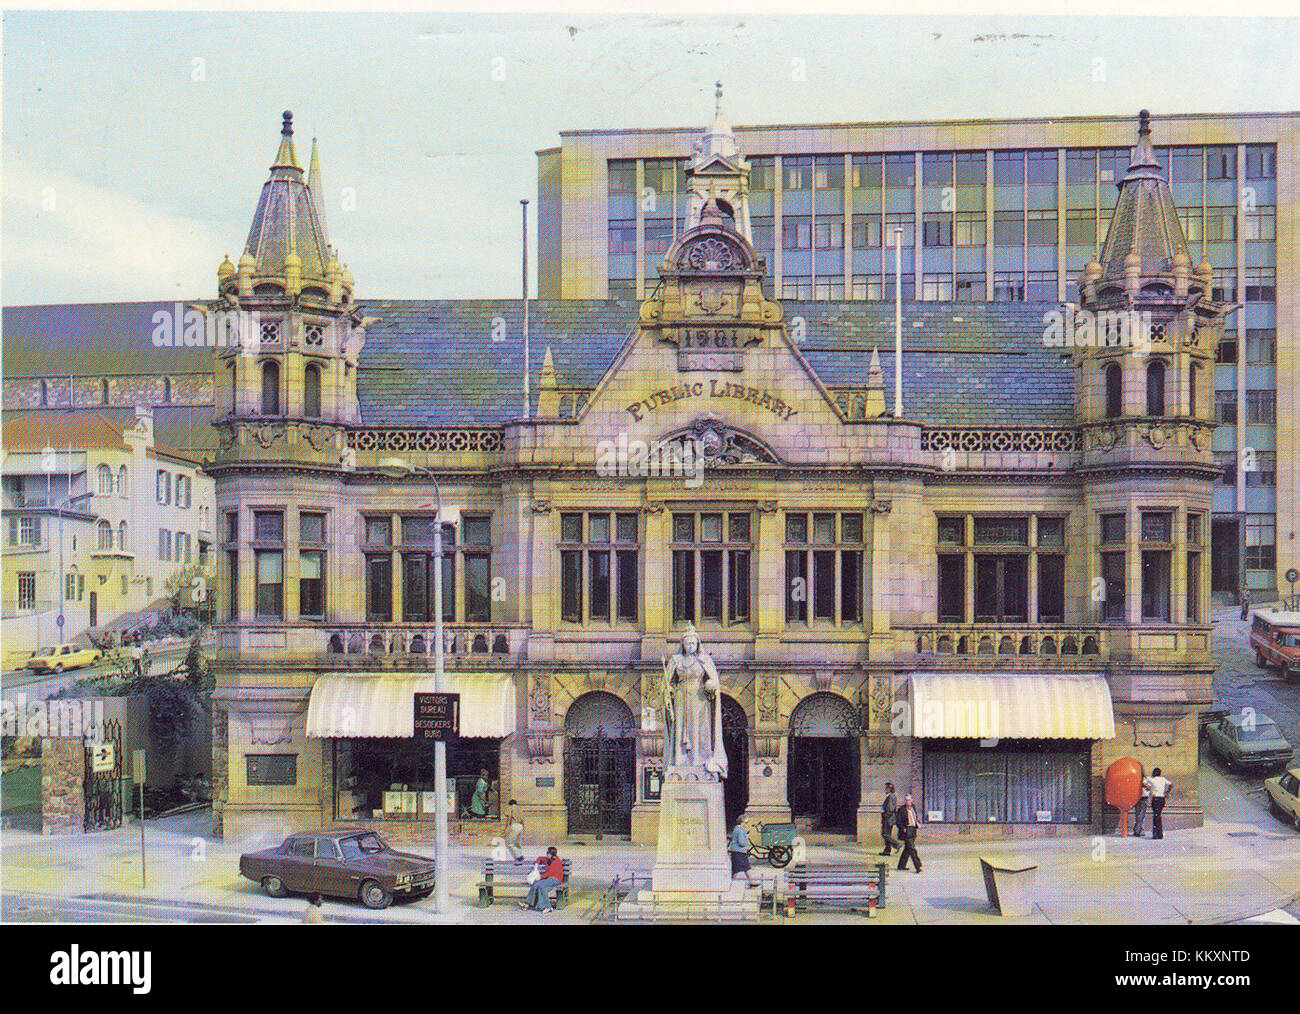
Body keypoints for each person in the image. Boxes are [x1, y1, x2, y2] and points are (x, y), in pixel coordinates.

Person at [521, 846, 564, 913]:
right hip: (549, 878)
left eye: (548, 853)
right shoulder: (548, 859)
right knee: (536, 884)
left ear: (552, 855)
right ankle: (528, 903)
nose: (547, 855)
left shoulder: (556, 861)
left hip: (555, 879)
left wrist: (540, 877)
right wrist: (536, 864)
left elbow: (550, 873)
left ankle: (547, 907)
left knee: (541, 885)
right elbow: (540, 858)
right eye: (547, 853)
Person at [728, 813, 758, 888]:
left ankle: (749, 882)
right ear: (742, 822)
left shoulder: (736, 829)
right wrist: (746, 836)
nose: (746, 824)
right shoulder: (740, 830)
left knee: (739, 868)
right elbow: (741, 843)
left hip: (736, 852)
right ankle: (733, 883)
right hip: (740, 852)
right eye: (746, 823)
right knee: (744, 867)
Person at [895, 793, 922, 873]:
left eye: (909, 800)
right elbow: (898, 821)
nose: (908, 802)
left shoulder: (913, 807)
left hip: (913, 829)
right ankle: (917, 865)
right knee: (912, 849)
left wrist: (917, 823)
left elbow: (915, 817)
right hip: (907, 830)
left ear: (912, 800)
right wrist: (903, 828)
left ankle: (901, 865)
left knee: (907, 849)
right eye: (906, 800)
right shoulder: (901, 809)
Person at [1146, 767, 1172, 840]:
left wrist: (1148, 787)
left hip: (1155, 799)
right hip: (1162, 798)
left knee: (1156, 816)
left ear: (1154, 773)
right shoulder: (1163, 779)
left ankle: (1157, 834)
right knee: (1158, 815)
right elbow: (1171, 785)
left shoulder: (1152, 779)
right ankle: (1158, 833)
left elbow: (1145, 781)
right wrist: (1167, 792)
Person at [879, 781, 900, 856]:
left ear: (889, 789)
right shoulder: (891, 796)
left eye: (886, 788)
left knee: (884, 834)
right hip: (889, 818)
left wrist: (885, 815)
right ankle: (887, 851)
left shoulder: (891, 797)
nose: (885, 789)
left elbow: (890, 809)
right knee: (887, 834)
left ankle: (896, 844)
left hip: (888, 818)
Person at [1132, 773, 1151, 837]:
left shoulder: (1147, 779)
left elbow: (1150, 787)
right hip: (1139, 797)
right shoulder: (1137, 779)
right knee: (1140, 815)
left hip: (1143, 797)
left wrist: (1146, 786)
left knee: (1140, 815)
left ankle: (1138, 829)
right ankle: (1138, 830)